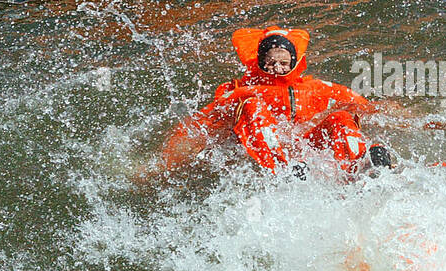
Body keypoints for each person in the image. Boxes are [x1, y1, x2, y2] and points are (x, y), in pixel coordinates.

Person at [149, 26, 400, 179]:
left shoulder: (315, 88)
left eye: (283, 62)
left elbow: (367, 108)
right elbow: (198, 126)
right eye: (270, 62)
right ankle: (286, 173)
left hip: (305, 150)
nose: (277, 68)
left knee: (341, 118)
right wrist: (164, 164)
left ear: (295, 63)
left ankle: (365, 168)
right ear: (259, 62)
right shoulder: (240, 92)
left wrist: (425, 122)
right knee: (252, 106)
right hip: (268, 157)